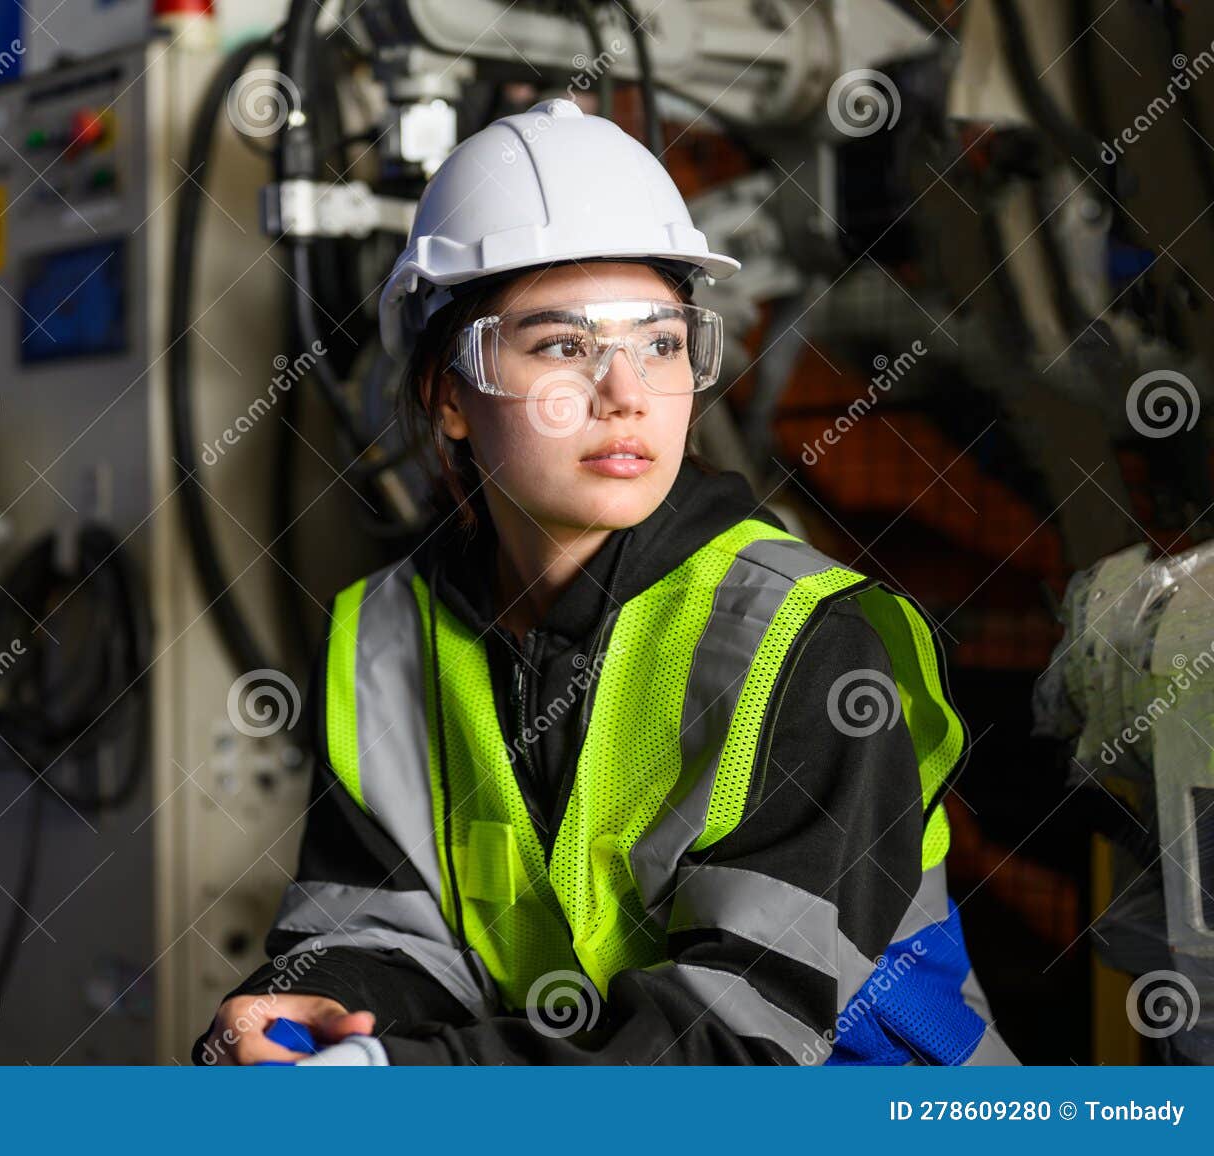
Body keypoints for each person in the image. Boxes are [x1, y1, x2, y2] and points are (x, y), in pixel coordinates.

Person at [194, 98, 1018, 1066]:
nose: (627, 394)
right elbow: (384, 933)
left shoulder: (811, 642)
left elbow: (741, 1038)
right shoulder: (383, 638)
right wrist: (308, 1017)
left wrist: (410, 1076)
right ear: (449, 393)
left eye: (661, 343)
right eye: (563, 346)